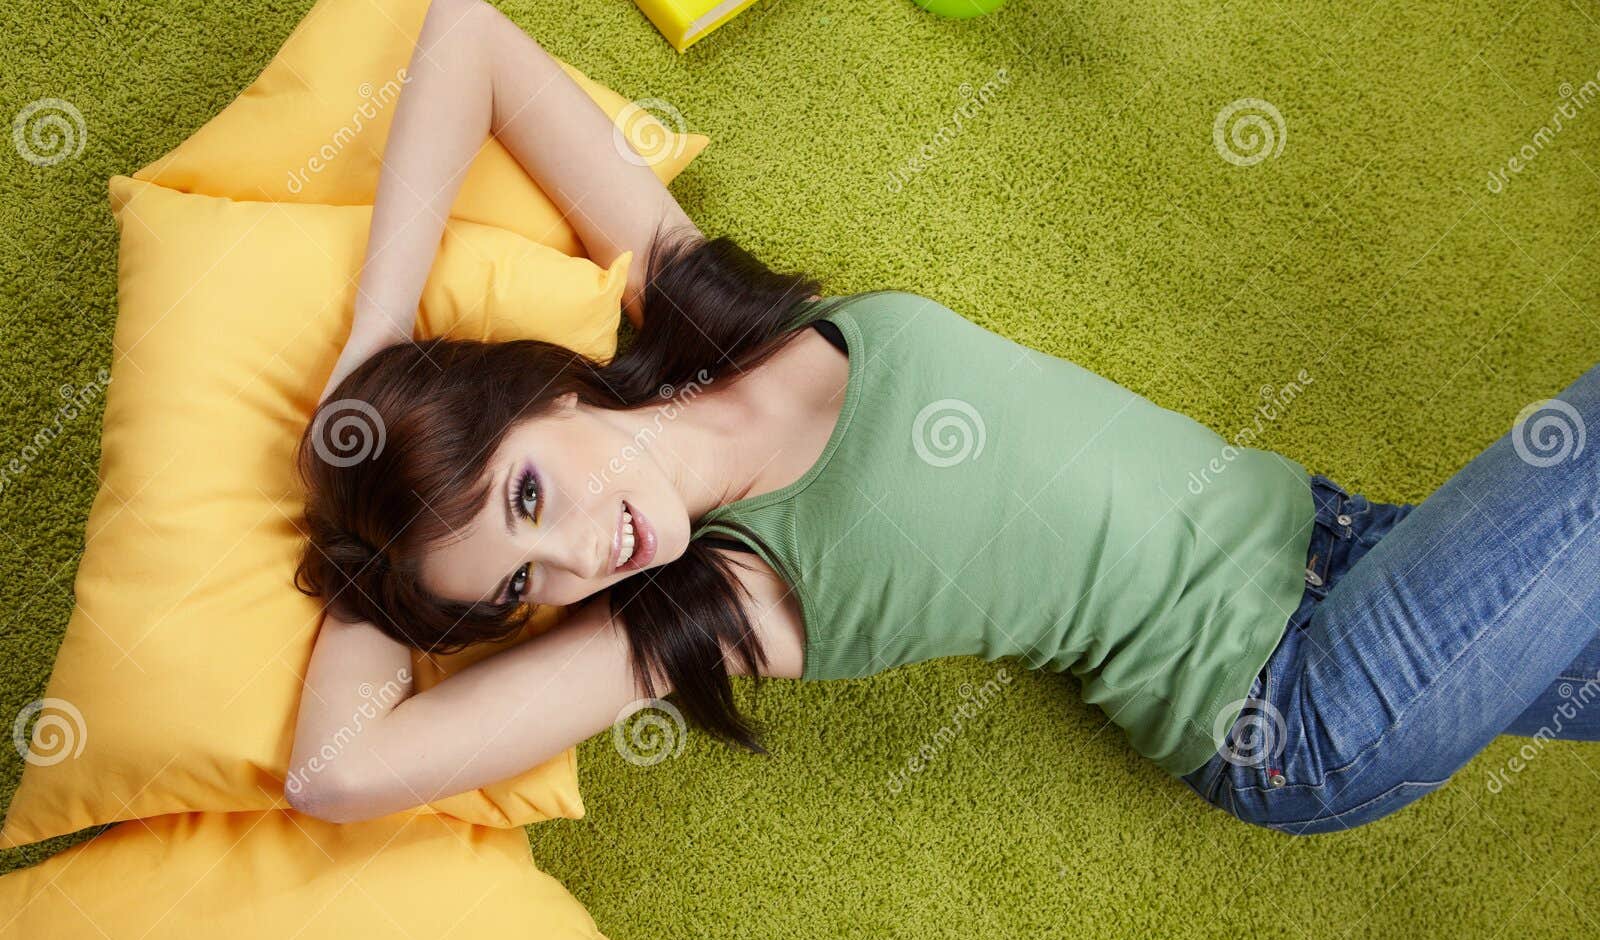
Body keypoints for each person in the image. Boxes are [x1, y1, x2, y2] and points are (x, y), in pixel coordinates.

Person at [287, 0, 1600, 834]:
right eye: (524, 583)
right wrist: (382, 578)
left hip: (1335, 533)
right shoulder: (710, 604)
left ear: (547, 388)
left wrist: (375, 344)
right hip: (1290, 703)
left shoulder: (697, 309)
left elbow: (465, 30)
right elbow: (333, 773)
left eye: (528, 496)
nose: (583, 556)